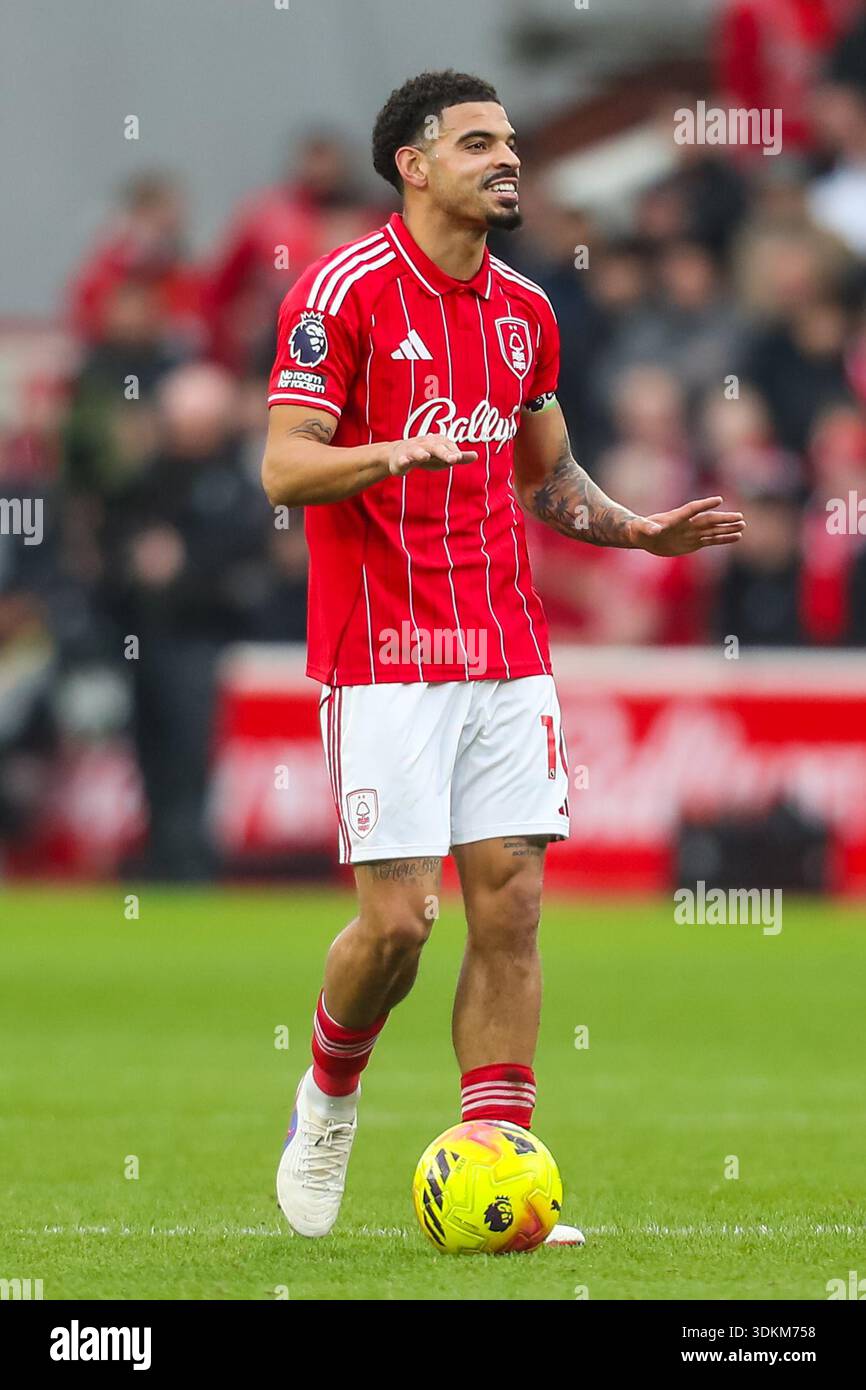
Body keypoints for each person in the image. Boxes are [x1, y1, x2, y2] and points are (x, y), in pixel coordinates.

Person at [260, 70, 745, 1245]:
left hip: (504, 650)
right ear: (412, 165)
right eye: (478, 142)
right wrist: (391, 454)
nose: (507, 158)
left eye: (512, 141)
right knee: (399, 925)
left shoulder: (525, 308)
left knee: (513, 904)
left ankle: (499, 1160)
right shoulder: (342, 294)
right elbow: (283, 466)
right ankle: (327, 1096)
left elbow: (546, 474)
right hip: (382, 654)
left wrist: (635, 529)